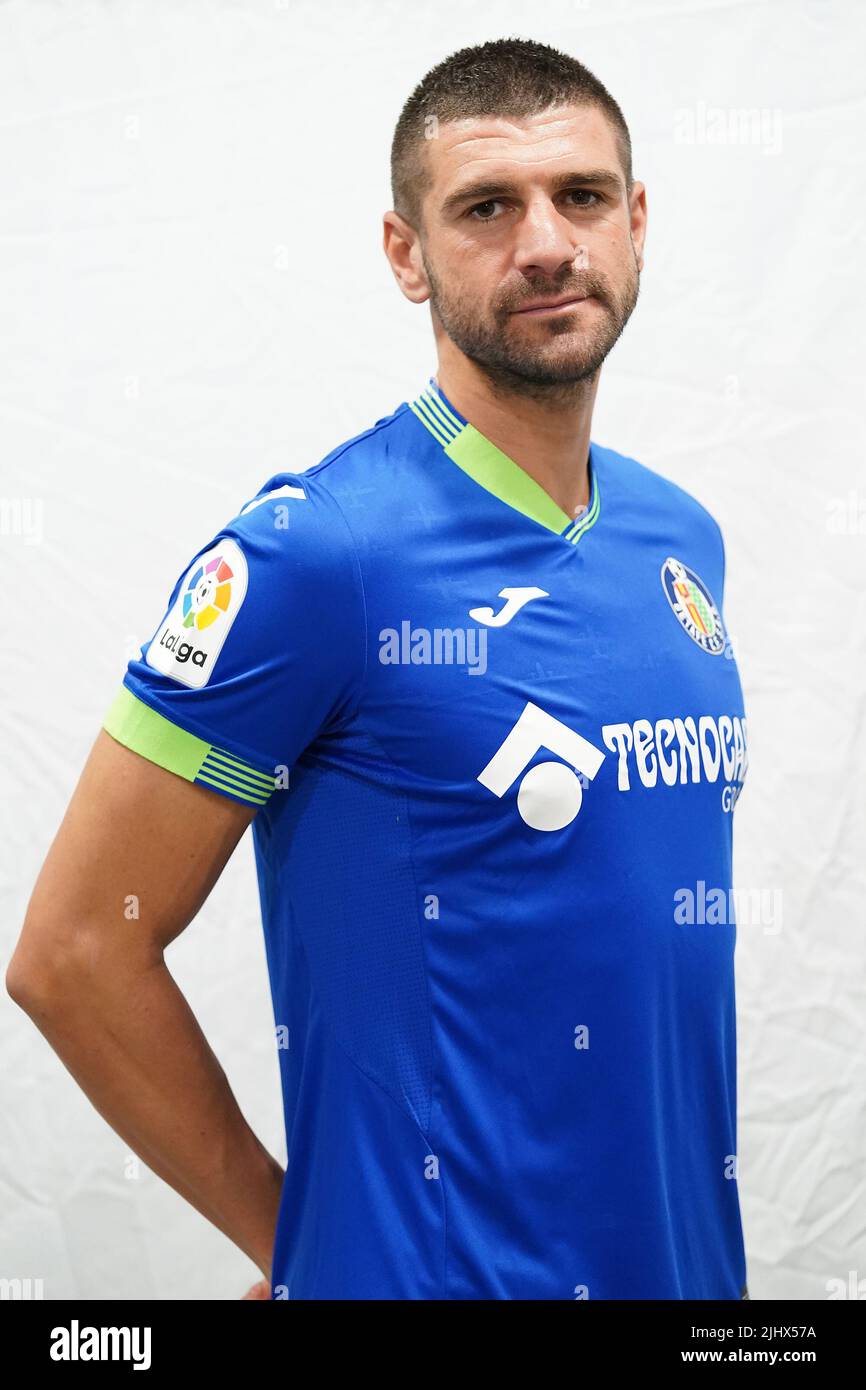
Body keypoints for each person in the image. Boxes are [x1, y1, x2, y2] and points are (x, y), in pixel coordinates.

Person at [7, 36, 750, 1300]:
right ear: (405, 254)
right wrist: (304, 1244)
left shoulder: (678, 539)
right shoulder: (317, 553)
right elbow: (74, 950)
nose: (544, 243)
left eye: (578, 197)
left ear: (634, 223)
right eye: (484, 208)